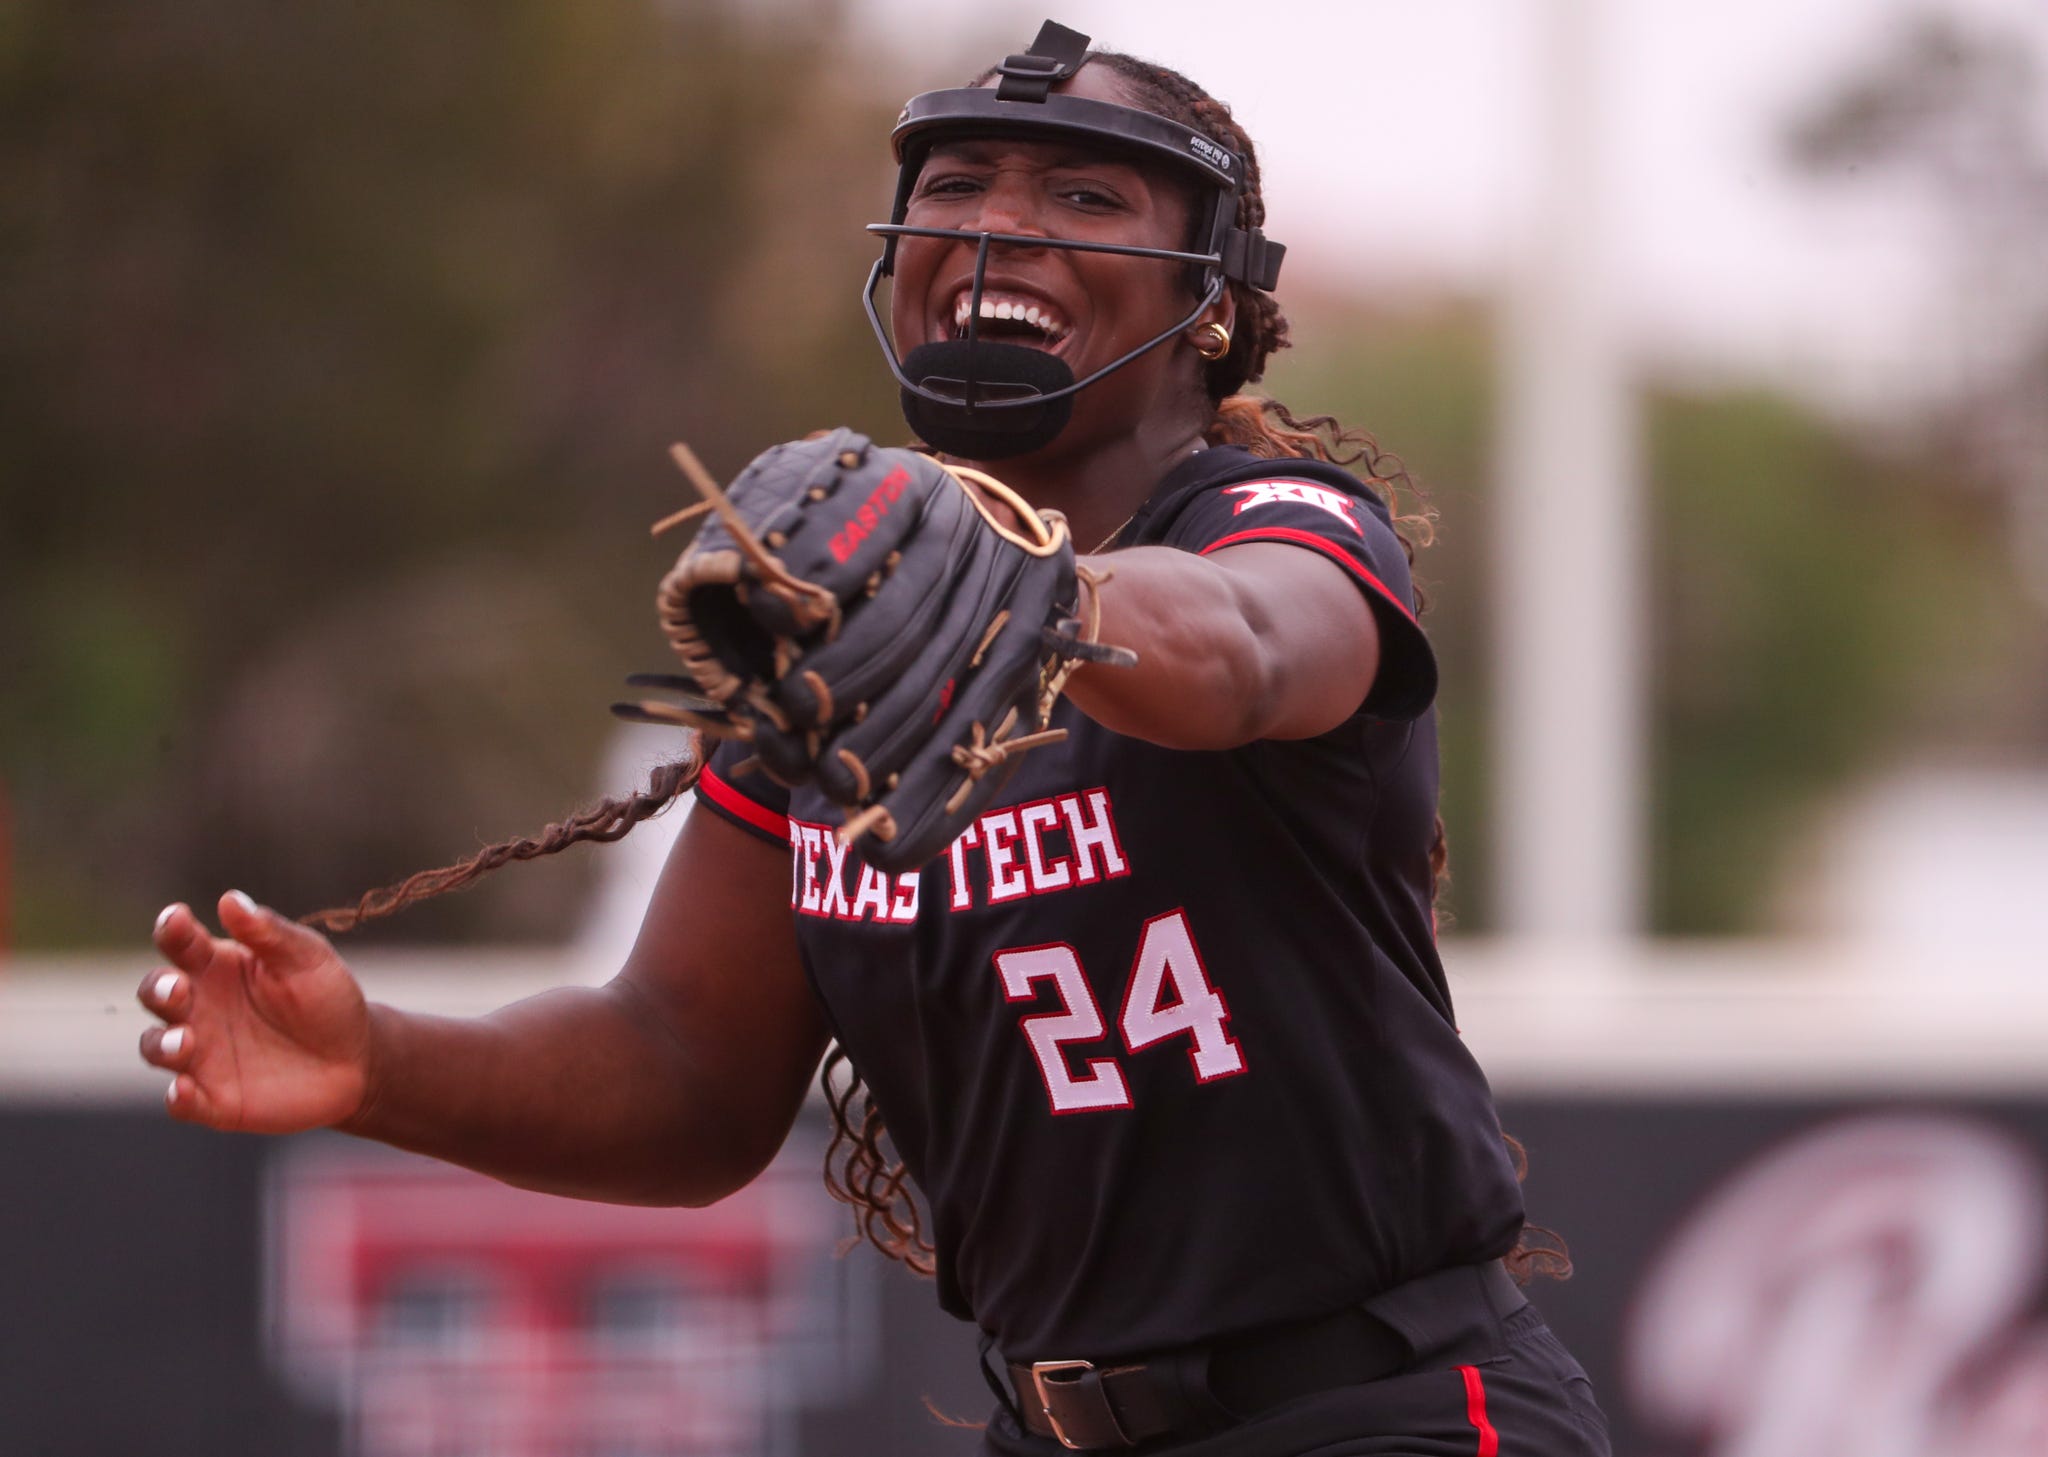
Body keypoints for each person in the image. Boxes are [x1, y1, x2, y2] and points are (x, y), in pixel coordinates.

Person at [138, 21, 1609, 1456]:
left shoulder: (1274, 529)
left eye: (1084, 193)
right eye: (953, 187)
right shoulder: (856, 633)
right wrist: (379, 1062)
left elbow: (1238, 648)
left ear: (1212, 299)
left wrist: (1026, 595)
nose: (996, 226)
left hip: (1381, 1408)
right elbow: (687, 1071)